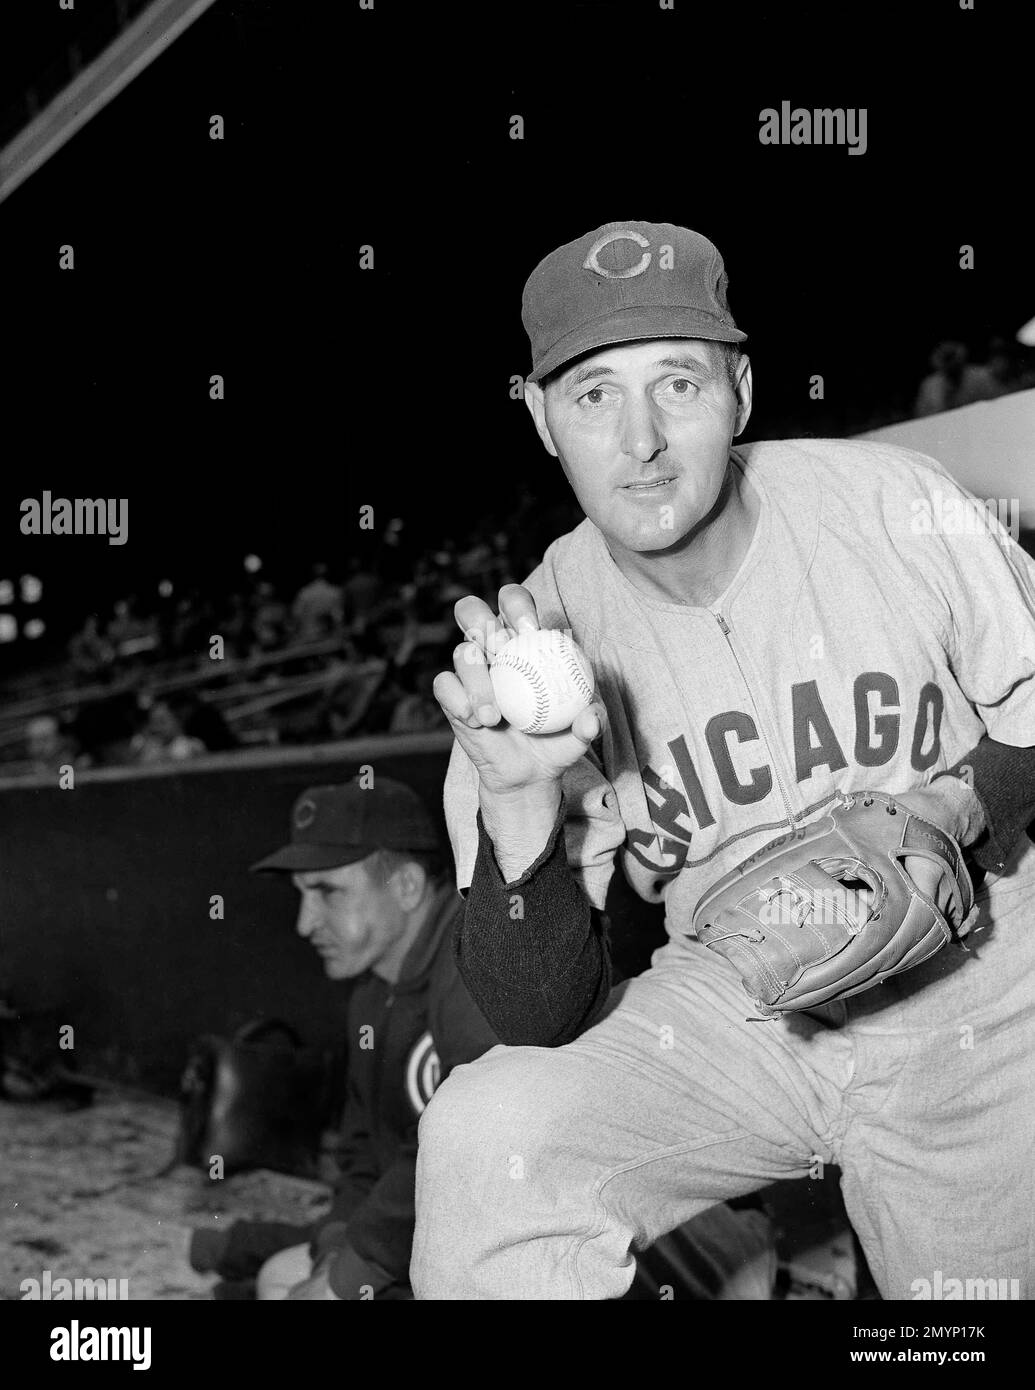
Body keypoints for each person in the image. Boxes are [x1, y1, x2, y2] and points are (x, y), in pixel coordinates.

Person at [412, 220, 1035, 1299]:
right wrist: (518, 806)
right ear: (539, 416)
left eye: (680, 384)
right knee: (488, 1134)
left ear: (741, 390)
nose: (642, 440)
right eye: (594, 392)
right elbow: (535, 1015)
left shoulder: (891, 502)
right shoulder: (538, 639)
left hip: (977, 994)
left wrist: (953, 808)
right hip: (741, 1007)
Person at [189, 777, 499, 1300]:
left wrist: (348, 1278)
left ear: (406, 885)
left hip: (512, 1250)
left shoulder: (479, 963)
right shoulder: (372, 994)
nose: (305, 923)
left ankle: (241, 1254)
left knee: (279, 1283)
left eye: (327, 892)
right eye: (301, 896)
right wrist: (336, 1250)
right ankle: (247, 1252)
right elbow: (362, 1155)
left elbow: (474, 1157)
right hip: (421, 1237)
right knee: (282, 1277)